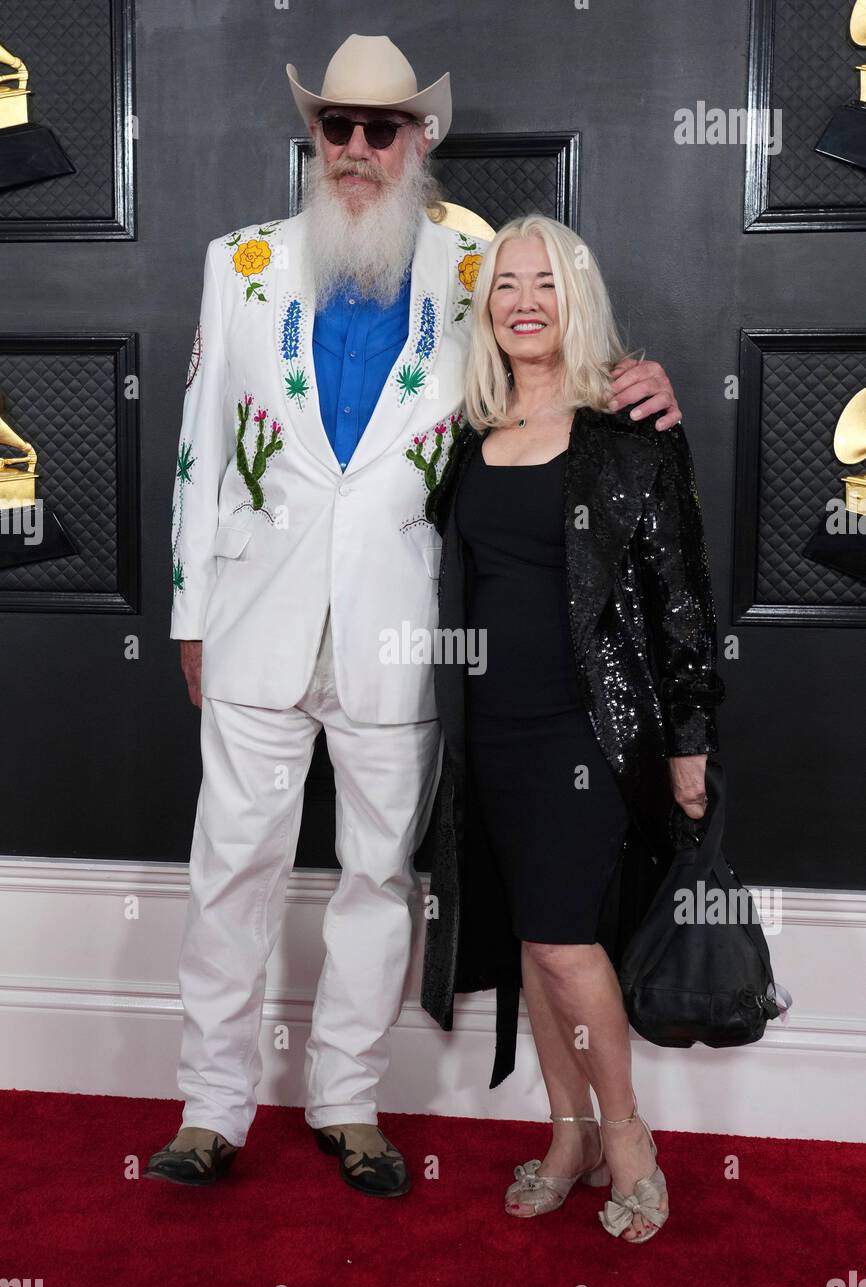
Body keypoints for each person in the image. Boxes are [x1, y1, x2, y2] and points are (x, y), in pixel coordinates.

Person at [146, 36, 684, 1196]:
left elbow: (556, 360)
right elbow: (197, 451)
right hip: (251, 618)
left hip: (408, 634)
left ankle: (345, 1101)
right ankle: (209, 1107)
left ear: (416, 140)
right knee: (228, 870)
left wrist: (645, 390)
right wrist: (190, 611)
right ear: (315, 136)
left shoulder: (479, 259)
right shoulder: (234, 261)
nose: (352, 149)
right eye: (334, 127)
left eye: (377, 129)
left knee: (377, 876)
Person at [421, 214, 725, 1241]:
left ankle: (627, 1135)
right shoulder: (469, 431)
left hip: (587, 732)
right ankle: (567, 1133)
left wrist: (689, 742)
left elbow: (682, 599)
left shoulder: (626, 429)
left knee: (560, 941)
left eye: (543, 284)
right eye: (504, 285)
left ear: (573, 298)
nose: (521, 303)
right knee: (530, 937)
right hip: (487, 731)